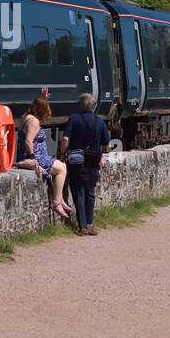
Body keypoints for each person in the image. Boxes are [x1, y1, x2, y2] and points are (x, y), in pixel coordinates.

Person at [61, 93, 112, 236]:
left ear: (81, 105)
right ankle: (90, 224)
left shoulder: (74, 118)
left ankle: (82, 226)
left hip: (76, 161)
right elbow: (105, 143)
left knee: (79, 192)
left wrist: (62, 153)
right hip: (93, 160)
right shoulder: (100, 121)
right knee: (90, 192)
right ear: (94, 106)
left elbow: (65, 139)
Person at [15, 90, 71, 219]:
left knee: (59, 165)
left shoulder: (26, 116)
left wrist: (43, 98)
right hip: (37, 157)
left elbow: (37, 104)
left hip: (35, 156)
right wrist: (33, 158)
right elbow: (28, 141)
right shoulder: (34, 121)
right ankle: (57, 202)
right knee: (62, 168)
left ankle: (60, 199)